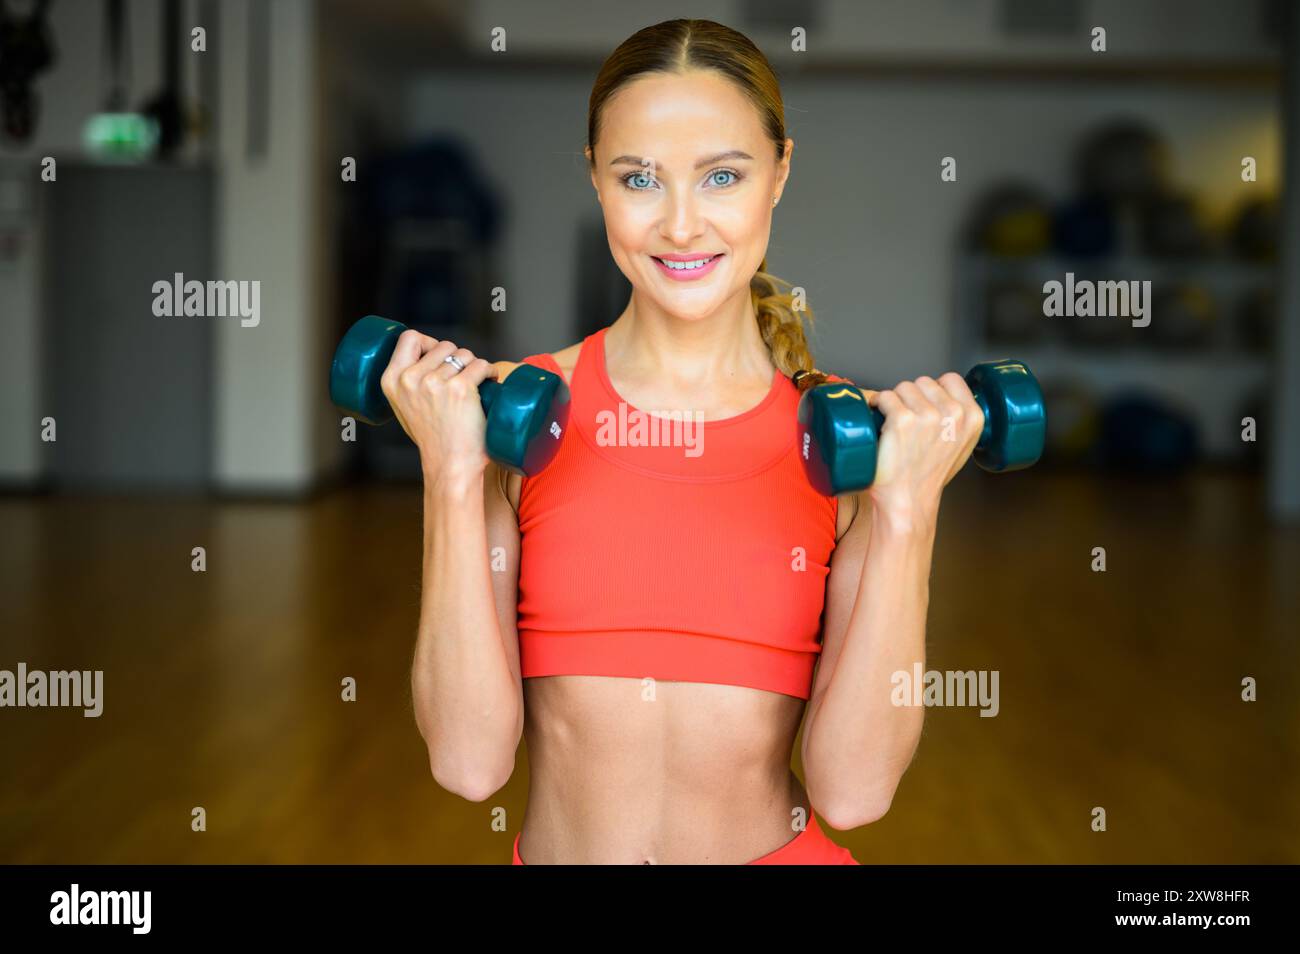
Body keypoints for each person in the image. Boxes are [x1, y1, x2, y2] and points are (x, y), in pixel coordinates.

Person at [380, 18, 985, 864]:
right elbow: (468, 763)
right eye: (639, 179)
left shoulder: (845, 455)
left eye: (723, 176)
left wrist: (908, 512)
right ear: (595, 177)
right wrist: (450, 476)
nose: (680, 224)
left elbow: (854, 790)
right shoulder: (514, 429)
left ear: (779, 173)